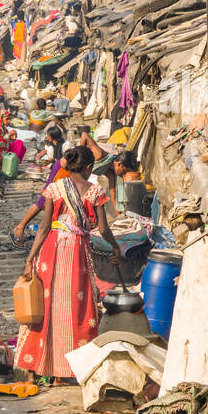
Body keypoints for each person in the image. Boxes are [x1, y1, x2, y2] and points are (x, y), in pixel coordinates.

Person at [15, 146, 123, 383]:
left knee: (44, 306)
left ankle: (34, 368)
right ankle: (62, 373)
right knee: (75, 309)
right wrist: (115, 247)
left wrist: (30, 258)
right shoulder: (95, 191)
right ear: (88, 167)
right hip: (76, 254)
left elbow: (44, 227)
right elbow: (103, 229)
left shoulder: (55, 189)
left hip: (50, 251)